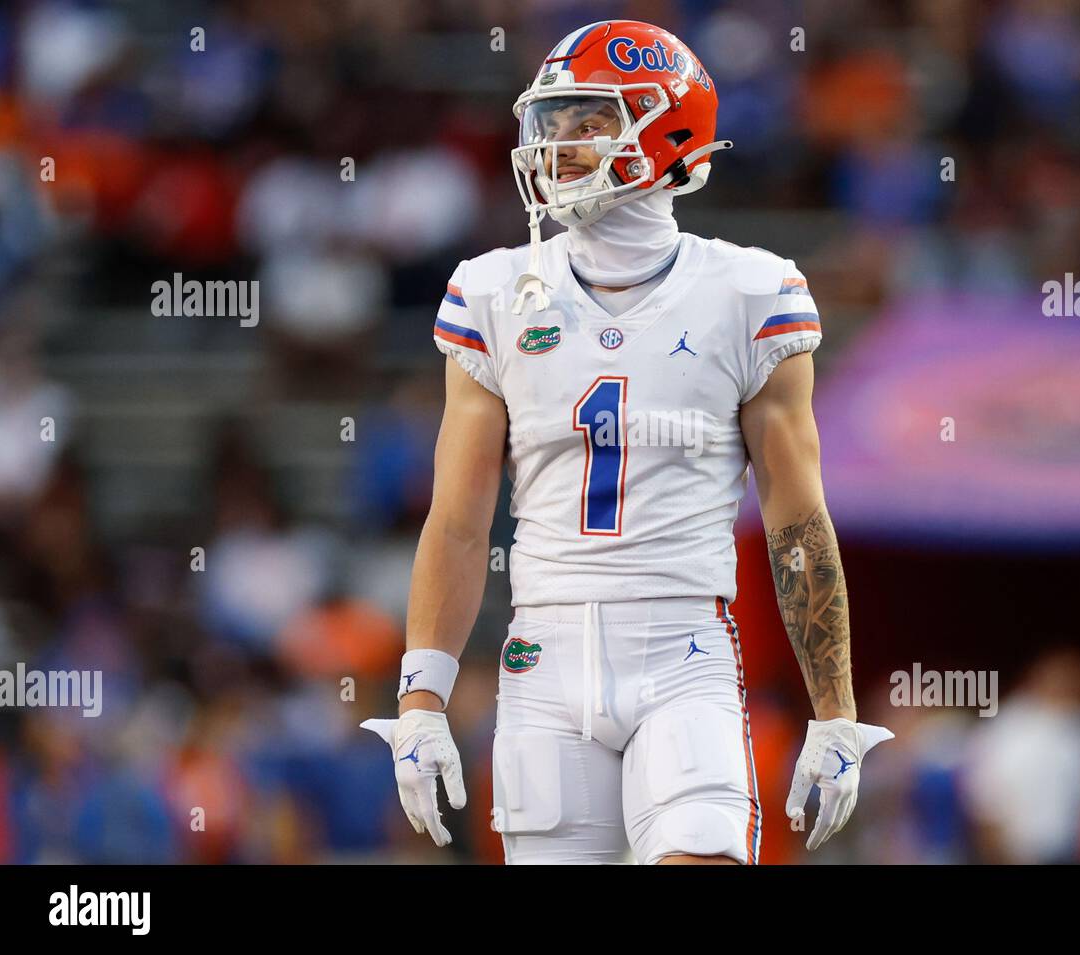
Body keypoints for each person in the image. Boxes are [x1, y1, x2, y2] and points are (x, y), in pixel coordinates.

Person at [363, 19, 891, 865]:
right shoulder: (495, 290)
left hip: (686, 650)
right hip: (543, 656)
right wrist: (422, 694)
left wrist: (834, 707)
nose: (559, 146)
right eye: (554, 122)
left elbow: (797, 524)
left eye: (588, 122)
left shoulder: (751, 291)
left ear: (666, 126)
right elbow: (458, 520)